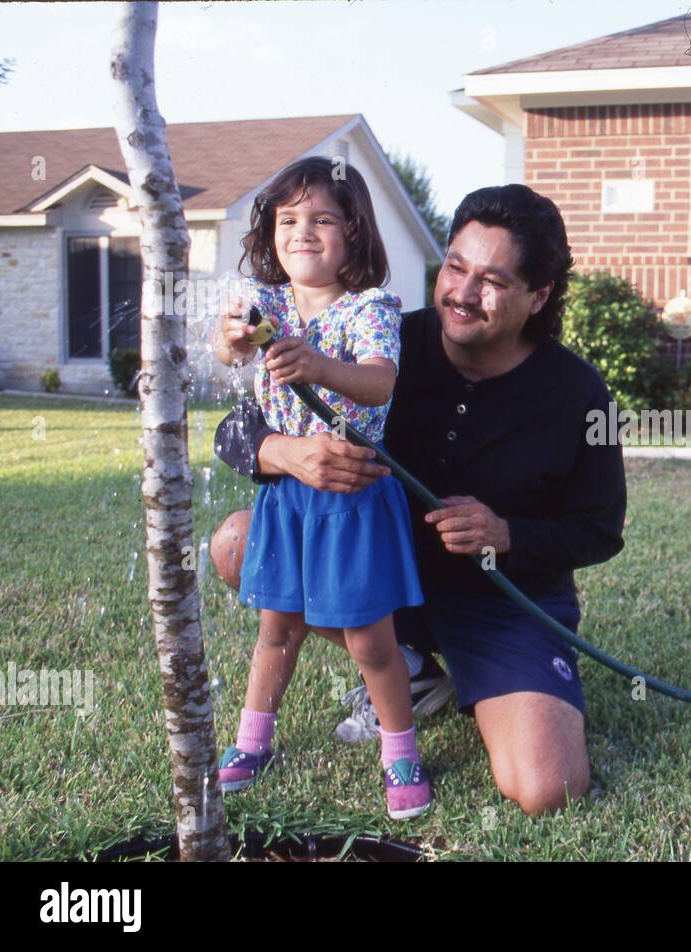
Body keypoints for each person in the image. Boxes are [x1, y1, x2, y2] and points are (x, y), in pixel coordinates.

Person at [211, 183, 627, 815]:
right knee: (236, 542)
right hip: (375, 573)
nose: (461, 293)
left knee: (548, 787)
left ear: (539, 296)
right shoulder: (382, 338)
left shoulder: (581, 392)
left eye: (492, 281)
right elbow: (233, 430)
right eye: (455, 267)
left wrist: (506, 534)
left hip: (499, 604)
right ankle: (408, 664)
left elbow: (600, 530)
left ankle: (463, 670)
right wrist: (285, 453)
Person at [209, 157, 432, 820]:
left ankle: (400, 753)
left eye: (322, 219)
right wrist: (231, 341)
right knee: (278, 627)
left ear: (354, 234)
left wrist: (318, 365)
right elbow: (228, 353)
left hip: (351, 501)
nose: (302, 231)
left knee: (368, 639)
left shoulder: (370, 307)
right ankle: (253, 742)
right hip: (286, 498)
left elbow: (379, 381)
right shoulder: (267, 303)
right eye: (288, 220)